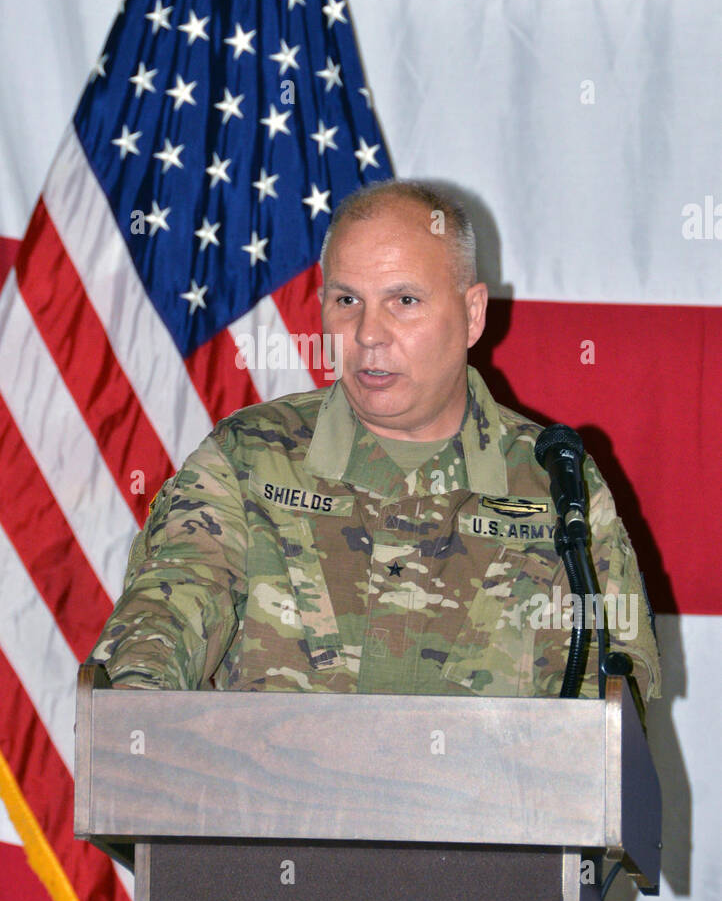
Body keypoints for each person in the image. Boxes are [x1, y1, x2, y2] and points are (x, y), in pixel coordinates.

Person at [89, 180, 661, 707]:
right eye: (347, 300)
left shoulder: (556, 485)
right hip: (273, 812)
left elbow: (605, 716)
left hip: (483, 816)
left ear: (471, 314)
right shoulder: (248, 459)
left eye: (404, 301)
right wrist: (137, 728)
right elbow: (163, 619)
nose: (367, 333)